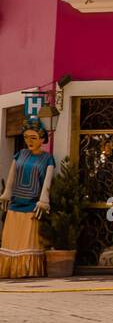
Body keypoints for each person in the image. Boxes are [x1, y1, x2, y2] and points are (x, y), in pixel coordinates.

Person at [0, 119, 55, 279]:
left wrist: (44, 199)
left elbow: (47, 180)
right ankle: (10, 270)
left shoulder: (47, 159)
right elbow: (12, 175)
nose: (29, 141)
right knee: (12, 241)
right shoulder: (20, 154)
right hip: (15, 204)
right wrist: (6, 193)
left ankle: (27, 270)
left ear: (42, 139)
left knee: (27, 241)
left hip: (33, 205)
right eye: (26, 137)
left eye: (33, 137)